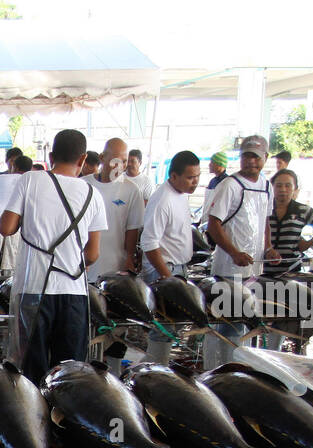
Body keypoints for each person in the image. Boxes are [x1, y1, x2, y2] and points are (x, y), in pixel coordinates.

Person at [0, 128, 107, 383]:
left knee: (30, 372)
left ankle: (34, 420)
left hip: (34, 290)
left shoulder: (30, 180)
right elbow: (92, 253)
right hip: (74, 293)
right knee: (70, 374)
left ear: (50, 155)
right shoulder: (93, 194)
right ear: (82, 160)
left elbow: (6, 228)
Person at [205, 134, 277, 368]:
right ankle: (221, 371)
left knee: (246, 320)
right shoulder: (230, 185)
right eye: (247, 156)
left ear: (265, 158)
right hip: (228, 269)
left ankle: (239, 369)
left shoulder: (267, 186)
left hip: (254, 269)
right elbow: (213, 224)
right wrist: (234, 252)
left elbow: (265, 221)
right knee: (228, 323)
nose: (251, 162)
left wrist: (268, 248)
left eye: (256, 157)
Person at [140, 150, 203, 364]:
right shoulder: (163, 199)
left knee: (172, 326)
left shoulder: (181, 194)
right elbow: (149, 243)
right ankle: (155, 371)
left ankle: (158, 366)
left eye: (197, 176)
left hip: (177, 267)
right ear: (173, 176)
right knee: (164, 327)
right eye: (189, 177)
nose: (194, 182)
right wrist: (167, 278)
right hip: (164, 269)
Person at [86, 137, 144, 283]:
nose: (121, 166)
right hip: (84, 270)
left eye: (124, 161)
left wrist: (129, 258)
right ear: (102, 158)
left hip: (115, 271)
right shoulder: (84, 185)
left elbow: (132, 229)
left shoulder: (131, 190)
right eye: (115, 161)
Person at [264, 169, 313, 275]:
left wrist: (311, 242)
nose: (283, 189)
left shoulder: (302, 210)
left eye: (288, 185)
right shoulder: (262, 208)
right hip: (262, 270)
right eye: (279, 185)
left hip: (292, 271)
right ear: (272, 187)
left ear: (295, 189)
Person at [0, 155, 28, 270]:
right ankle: (8, 287)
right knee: (9, 263)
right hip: (14, 225)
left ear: (14, 166)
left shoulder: (0, 177)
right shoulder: (27, 180)